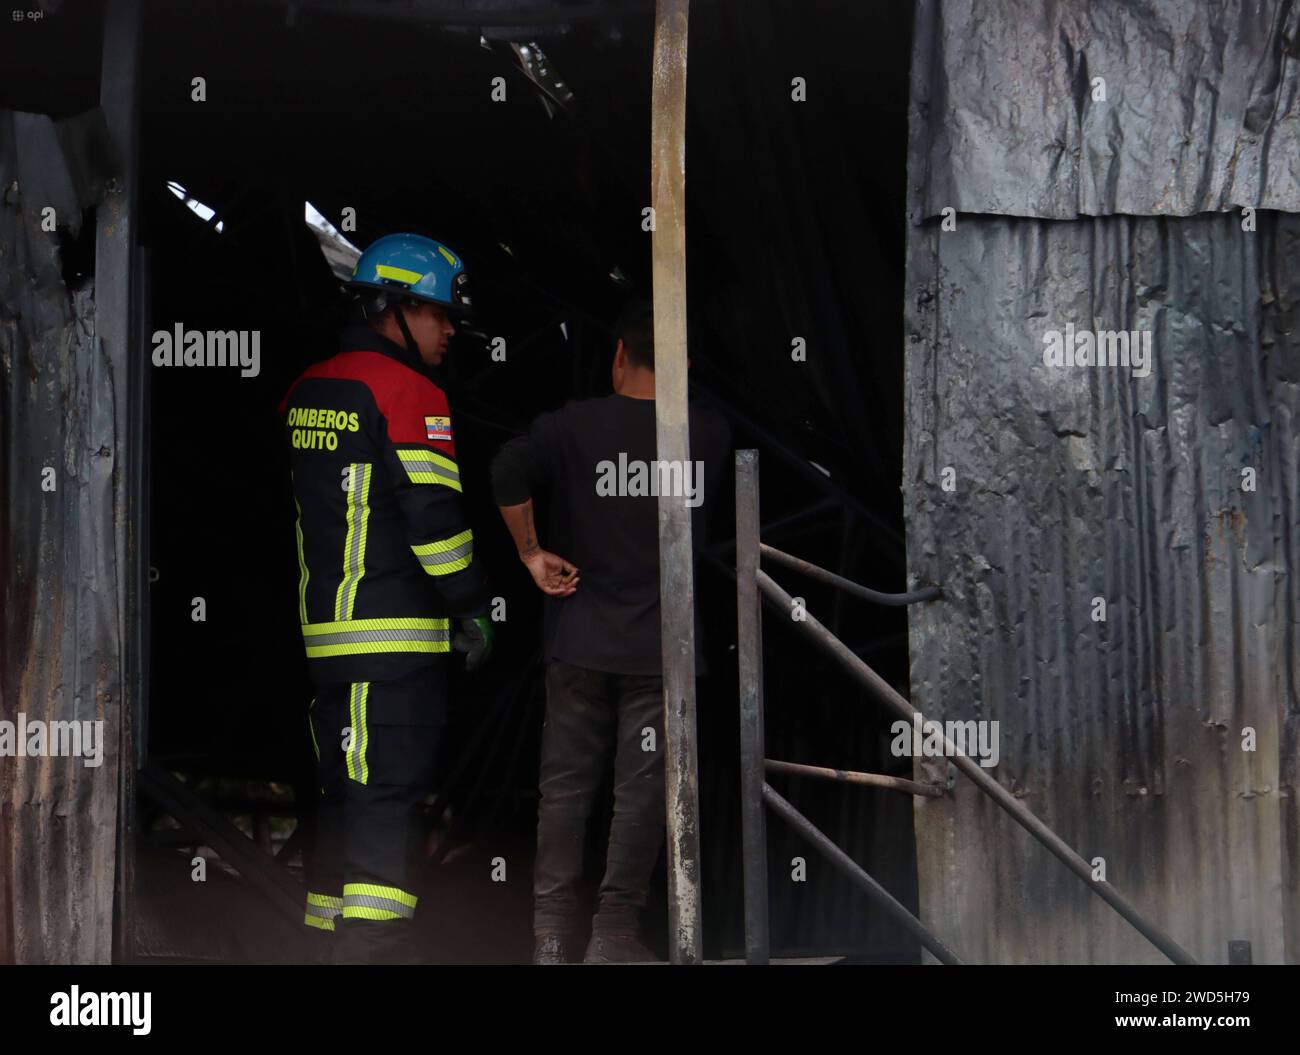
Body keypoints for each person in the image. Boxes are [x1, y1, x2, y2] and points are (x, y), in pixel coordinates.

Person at [490, 300, 730, 963]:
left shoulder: (572, 426)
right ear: (682, 366)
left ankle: (550, 939)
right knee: (641, 792)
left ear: (619, 356)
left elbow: (506, 470)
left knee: (564, 791)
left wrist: (531, 552)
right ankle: (613, 936)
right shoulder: (704, 436)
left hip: (578, 642)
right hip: (660, 652)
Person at [280, 232, 494, 964]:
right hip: (396, 649)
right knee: (384, 814)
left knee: (340, 804)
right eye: (440, 315)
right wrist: (473, 607)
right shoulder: (409, 394)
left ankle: (321, 950)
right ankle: (370, 954)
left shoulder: (306, 392)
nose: (451, 331)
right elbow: (436, 527)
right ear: (394, 308)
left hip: (328, 649)